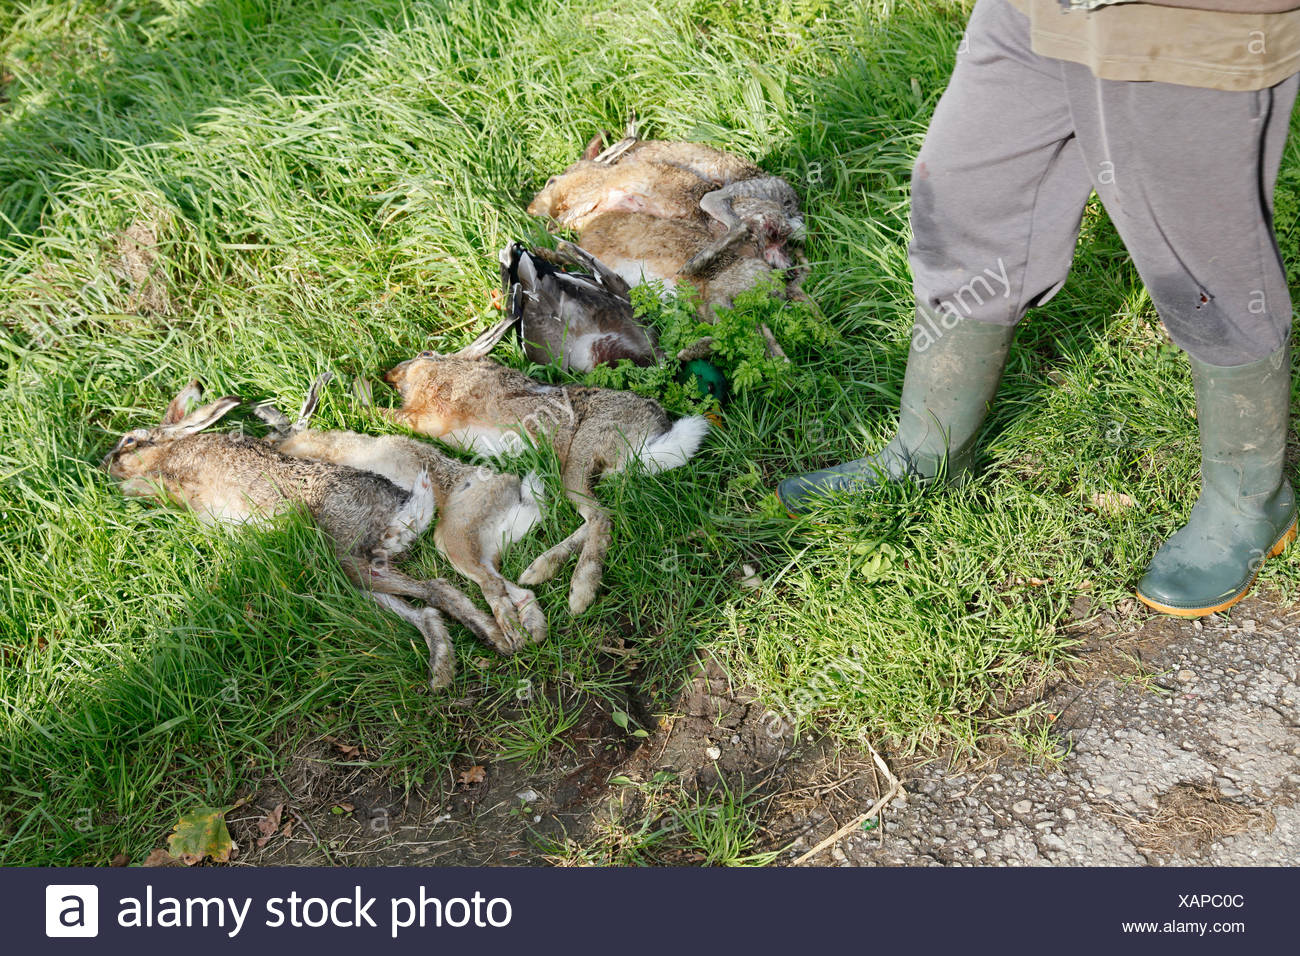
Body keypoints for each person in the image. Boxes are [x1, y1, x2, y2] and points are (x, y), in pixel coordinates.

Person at [777, 0, 1300, 618]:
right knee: (967, 196)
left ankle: (1249, 503)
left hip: (1182, 21)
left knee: (1199, 264)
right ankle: (928, 455)